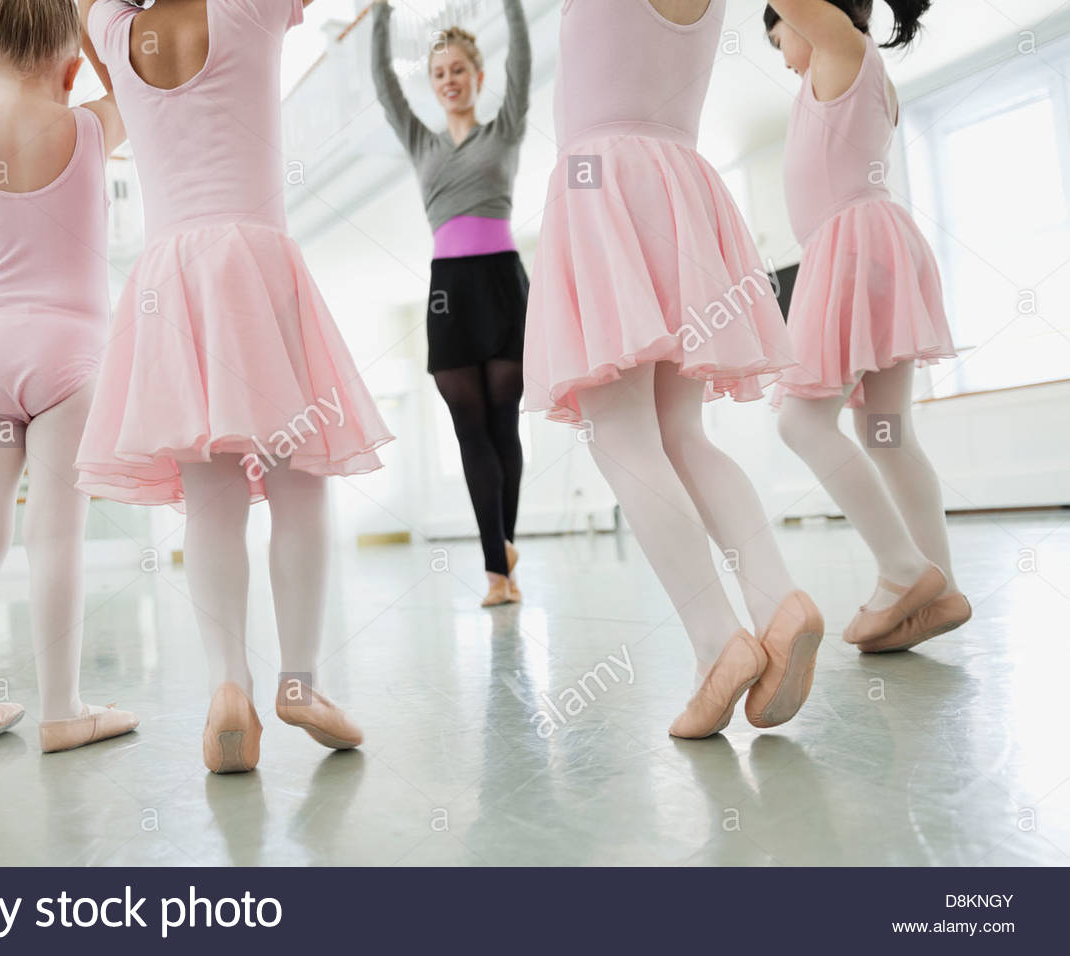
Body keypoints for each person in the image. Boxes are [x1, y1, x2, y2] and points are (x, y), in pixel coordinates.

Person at [76, 0, 393, 772]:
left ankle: (227, 685)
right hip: (256, 268)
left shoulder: (117, 35)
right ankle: (301, 680)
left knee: (209, 501)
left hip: (167, 278)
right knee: (300, 480)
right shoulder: (251, 9)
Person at [524, 0, 823, 737]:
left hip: (598, 179)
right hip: (679, 182)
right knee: (682, 433)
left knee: (621, 435)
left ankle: (717, 643)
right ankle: (778, 600)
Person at [0, 0, 137, 753]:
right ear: (73, 64)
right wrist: (85, 27)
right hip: (69, 360)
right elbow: (131, 85)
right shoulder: (86, 127)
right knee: (56, 537)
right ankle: (62, 711)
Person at [764, 0, 968, 653]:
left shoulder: (841, 47)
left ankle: (904, 570)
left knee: (801, 420)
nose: (780, 49)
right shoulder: (843, 69)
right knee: (885, 431)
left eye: (777, 34)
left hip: (850, 250)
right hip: (873, 249)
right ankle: (940, 588)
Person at [371, 0, 531, 607]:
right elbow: (386, 88)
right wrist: (381, 12)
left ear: (477, 77)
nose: (449, 80)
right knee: (470, 430)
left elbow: (523, 60)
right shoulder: (420, 141)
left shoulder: (505, 129)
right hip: (449, 292)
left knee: (503, 423)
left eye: (459, 69)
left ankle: (500, 560)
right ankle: (499, 566)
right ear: (433, 85)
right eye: (439, 73)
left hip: (501, 282)